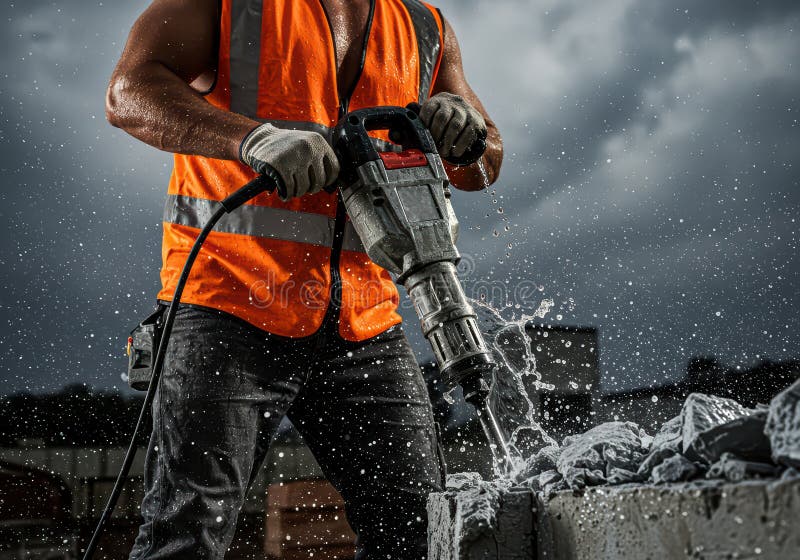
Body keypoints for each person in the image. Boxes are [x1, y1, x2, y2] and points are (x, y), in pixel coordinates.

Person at [106, 0, 502, 557]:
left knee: (419, 532)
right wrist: (251, 139)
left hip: (364, 325)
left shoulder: (423, 26)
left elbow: (483, 167)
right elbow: (127, 94)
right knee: (188, 536)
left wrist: (467, 131)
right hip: (229, 308)